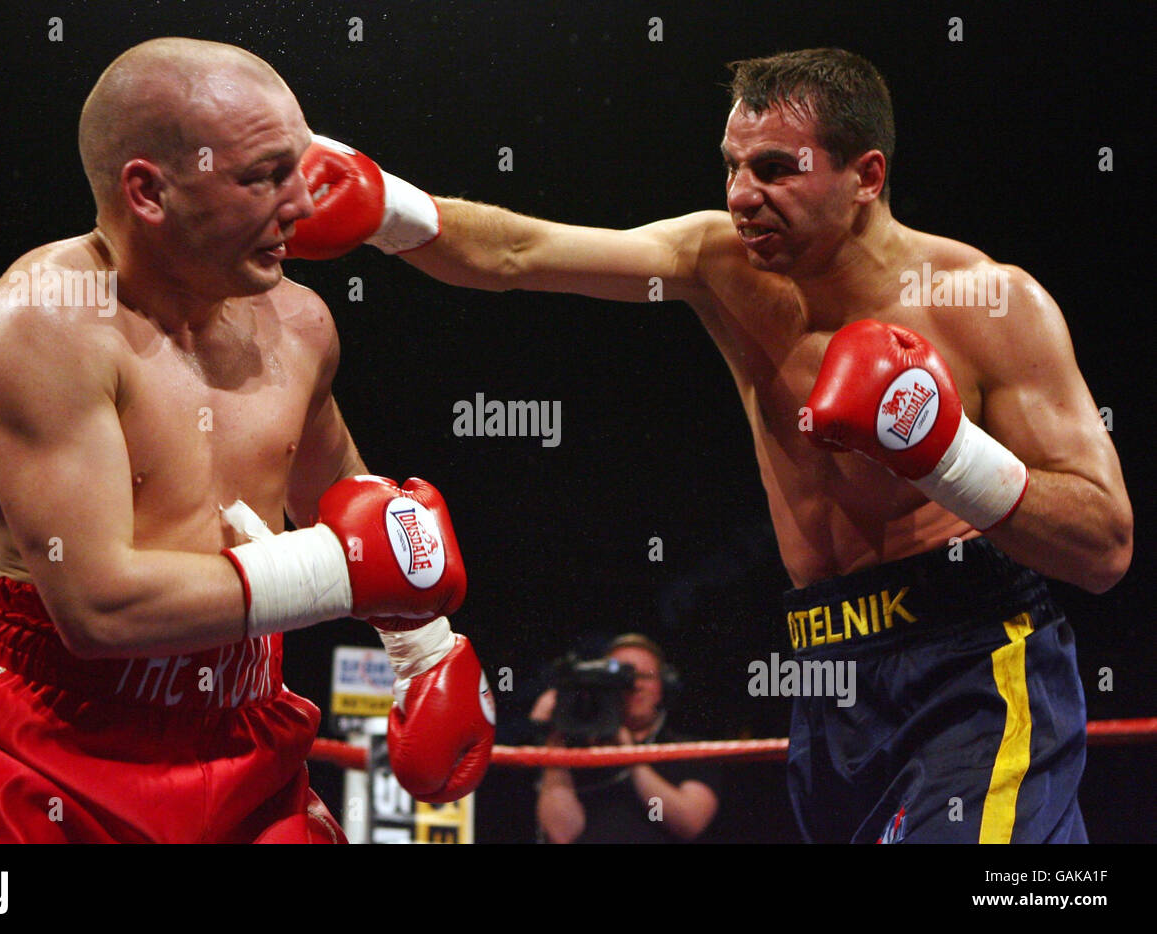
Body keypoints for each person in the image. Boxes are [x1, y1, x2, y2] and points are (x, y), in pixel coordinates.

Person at [285, 48, 1132, 842]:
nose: (740, 194)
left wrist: (944, 451)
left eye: (773, 169)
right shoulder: (720, 265)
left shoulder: (990, 305)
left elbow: (1103, 545)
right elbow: (517, 250)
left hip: (974, 664)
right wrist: (380, 203)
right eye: (732, 164)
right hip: (827, 676)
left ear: (866, 175)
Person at [0, 38, 494, 844]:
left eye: (300, 168)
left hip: (242, 736)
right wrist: (326, 573)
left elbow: (347, 502)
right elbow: (98, 607)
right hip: (42, 742)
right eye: (264, 176)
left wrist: (422, 645)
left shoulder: (300, 323)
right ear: (148, 191)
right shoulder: (44, 325)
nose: (304, 206)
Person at [531, 634, 720, 844]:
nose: (635, 685)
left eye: (645, 676)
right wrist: (556, 737)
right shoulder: (576, 750)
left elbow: (690, 822)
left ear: (663, 686)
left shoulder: (688, 750)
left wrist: (629, 754)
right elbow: (561, 835)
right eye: (624, 677)